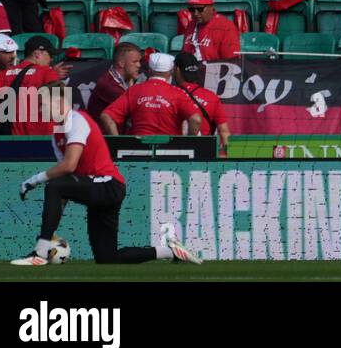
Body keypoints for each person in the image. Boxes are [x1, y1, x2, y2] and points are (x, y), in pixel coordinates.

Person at [11, 87, 201, 266]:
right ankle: (170, 251)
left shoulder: (75, 120)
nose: (41, 108)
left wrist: (33, 180)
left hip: (108, 185)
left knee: (54, 186)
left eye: (44, 104)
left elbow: (69, 166)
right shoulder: (57, 133)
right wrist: (51, 227)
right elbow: (64, 183)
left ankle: (39, 254)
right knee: (107, 258)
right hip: (100, 189)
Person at [99, 49, 203, 137]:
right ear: (171, 71)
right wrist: (189, 142)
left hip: (138, 151)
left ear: (149, 70)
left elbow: (106, 116)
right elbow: (196, 119)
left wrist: (118, 142)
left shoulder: (134, 90)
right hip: (169, 151)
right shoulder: (178, 93)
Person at [173, 52, 229, 153]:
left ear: (176, 69)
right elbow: (224, 133)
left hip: (174, 149)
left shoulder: (170, 94)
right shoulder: (211, 97)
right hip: (204, 152)